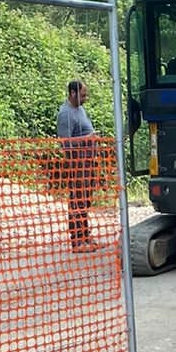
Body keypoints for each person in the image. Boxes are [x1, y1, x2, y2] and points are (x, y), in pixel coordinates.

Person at [56, 78, 97, 250]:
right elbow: (65, 142)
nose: (85, 98)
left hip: (88, 161)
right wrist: (87, 139)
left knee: (86, 199)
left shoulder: (80, 109)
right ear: (73, 93)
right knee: (77, 199)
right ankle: (77, 239)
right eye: (83, 95)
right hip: (77, 163)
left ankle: (85, 235)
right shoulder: (65, 114)